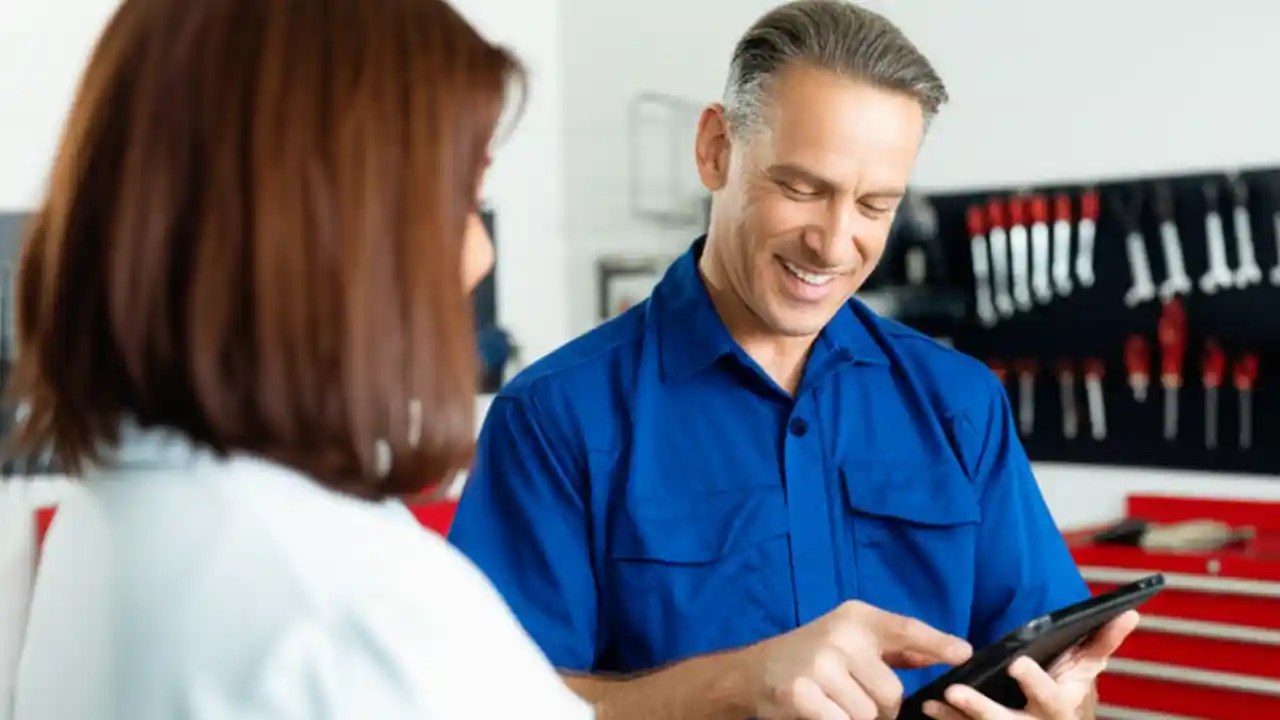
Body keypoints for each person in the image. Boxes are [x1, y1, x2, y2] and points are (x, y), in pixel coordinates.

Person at [449, 2, 1137, 719]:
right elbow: (486, 702)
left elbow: (1058, 685)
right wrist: (736, 686)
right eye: (803, 188)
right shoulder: (555, 419)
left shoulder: (961, 404)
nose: (835, 245)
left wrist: (1062, 712)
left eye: (875, 206)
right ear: (716, 147)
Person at [10, 1, 591, 718]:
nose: (479, 253)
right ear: (331, 228)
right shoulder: (346, 613)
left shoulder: (116, 517)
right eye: (459, 198)